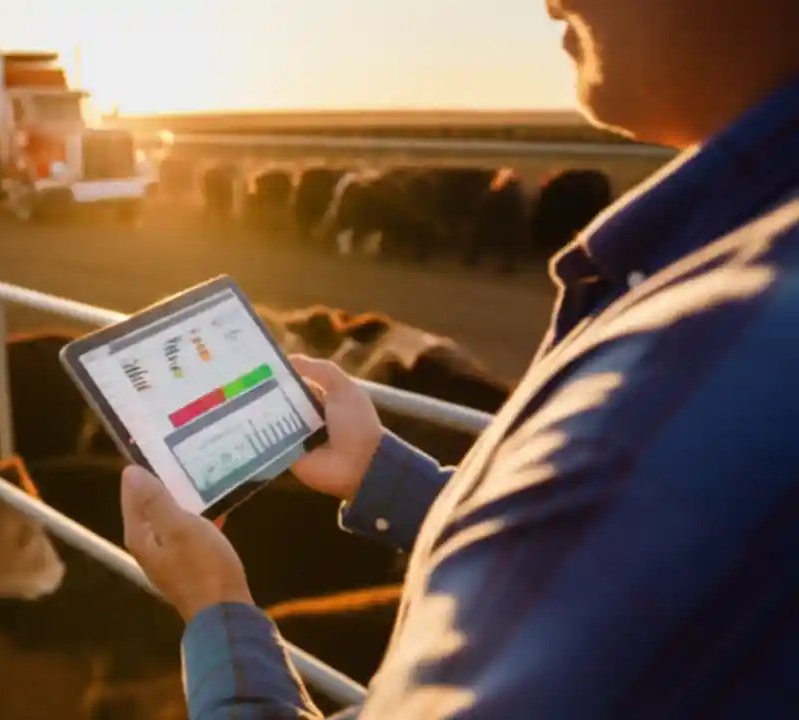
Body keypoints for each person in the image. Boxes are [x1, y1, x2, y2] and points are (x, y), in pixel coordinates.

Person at [120, 0, 799, 717]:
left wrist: (216, 608)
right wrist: (382, 477)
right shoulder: (726, 275)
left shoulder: (700, 363)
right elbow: (633, 578)